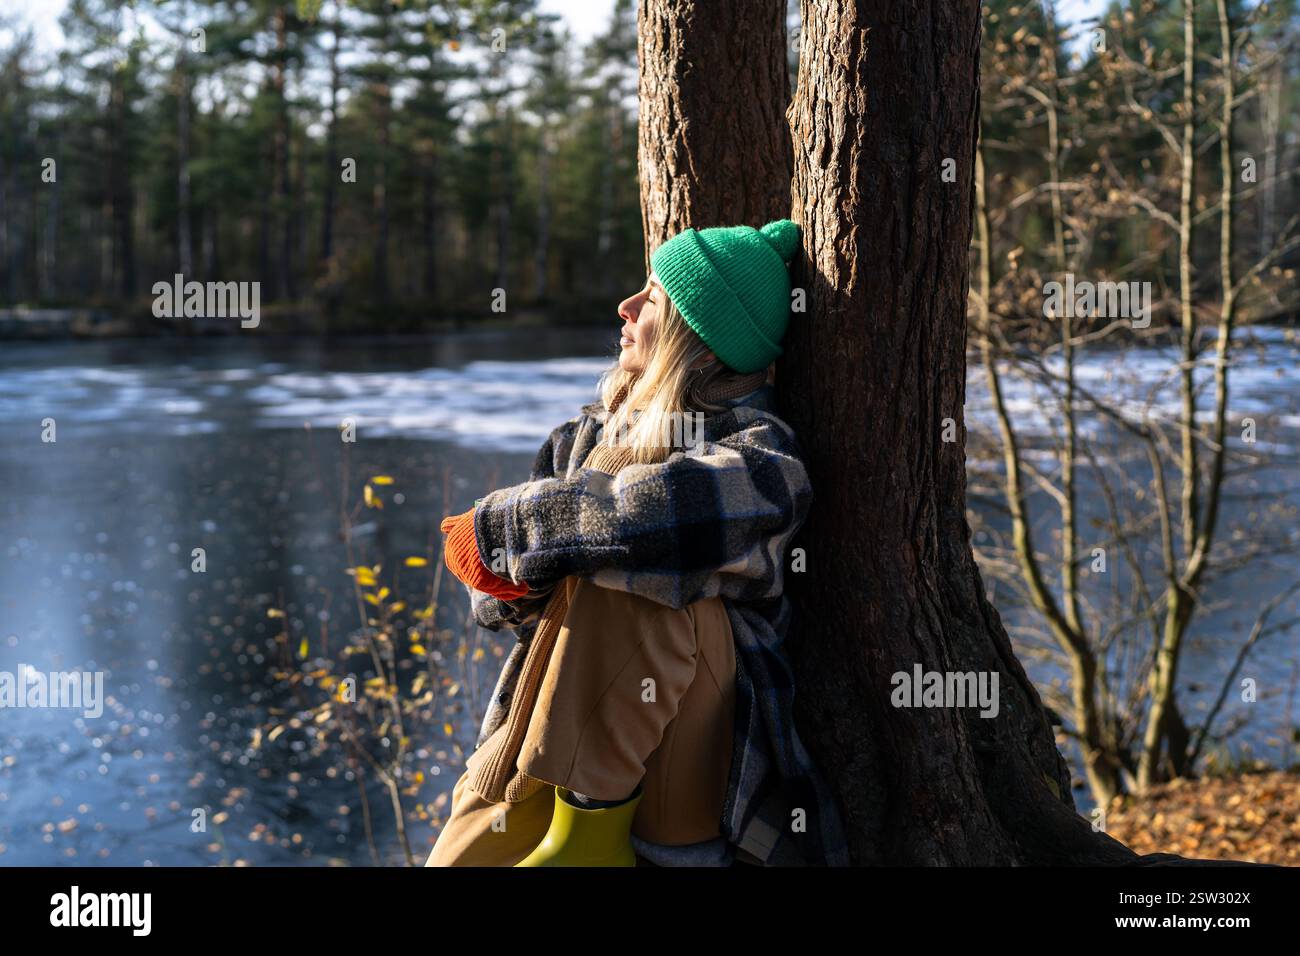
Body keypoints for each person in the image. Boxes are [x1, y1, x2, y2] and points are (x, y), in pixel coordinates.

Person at [425, 219, 848, 867]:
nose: (624, 307)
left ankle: (585, 841)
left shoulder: (762, 452)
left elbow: (650, 520)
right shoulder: (582, 440)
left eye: (651, 297)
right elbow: (497, 610)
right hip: (549, 734)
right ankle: (564, 825)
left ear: (700, 341)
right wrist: (518, 568)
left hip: (691, 772)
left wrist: (506, 530)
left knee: (639, 569)